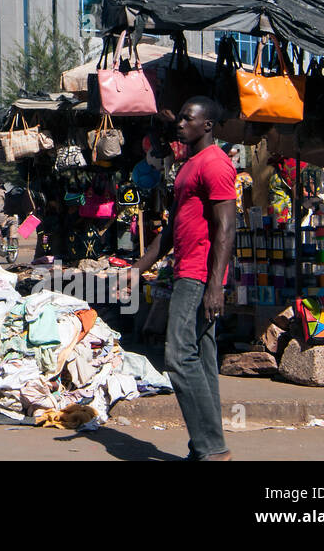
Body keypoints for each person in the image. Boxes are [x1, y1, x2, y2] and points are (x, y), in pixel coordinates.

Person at [119, 96, 237, 460]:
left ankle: (212, 447)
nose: (180, 124)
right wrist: (136, 270)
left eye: (188, 119)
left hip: (199, 274)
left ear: (208, 126)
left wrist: (215, 285)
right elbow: (171, 230)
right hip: (187, 270)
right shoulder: (188, 165)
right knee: (201, 359)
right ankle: (208, 447)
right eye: (180, 117)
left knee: (178, 356)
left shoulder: (216, 164)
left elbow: (226, 227)